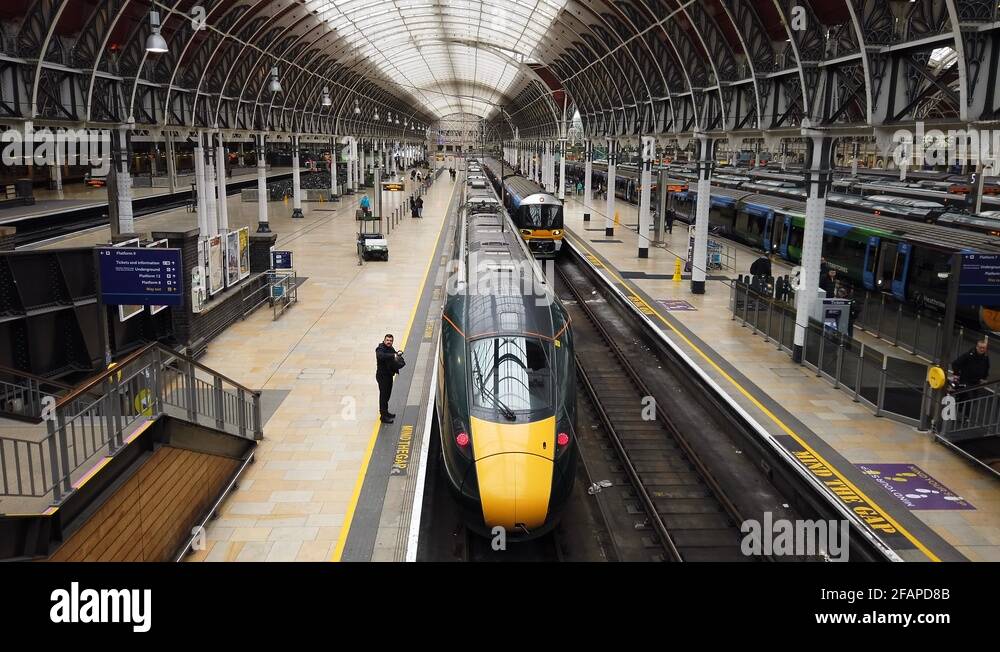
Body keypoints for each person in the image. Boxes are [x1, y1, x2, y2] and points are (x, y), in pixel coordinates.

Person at [376, 334, 406, 424]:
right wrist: (393, 355)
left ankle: (386, 412)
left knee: (387, 395)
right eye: (387, 340)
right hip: (382, 377)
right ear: (384, 340)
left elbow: (393, 354)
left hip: (389, 376)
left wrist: (397, 353)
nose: (389, 342)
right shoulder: (380, 349)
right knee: (383, 396)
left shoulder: (391, 348)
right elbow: (381, 356)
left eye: (390, 340)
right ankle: (383, 416)